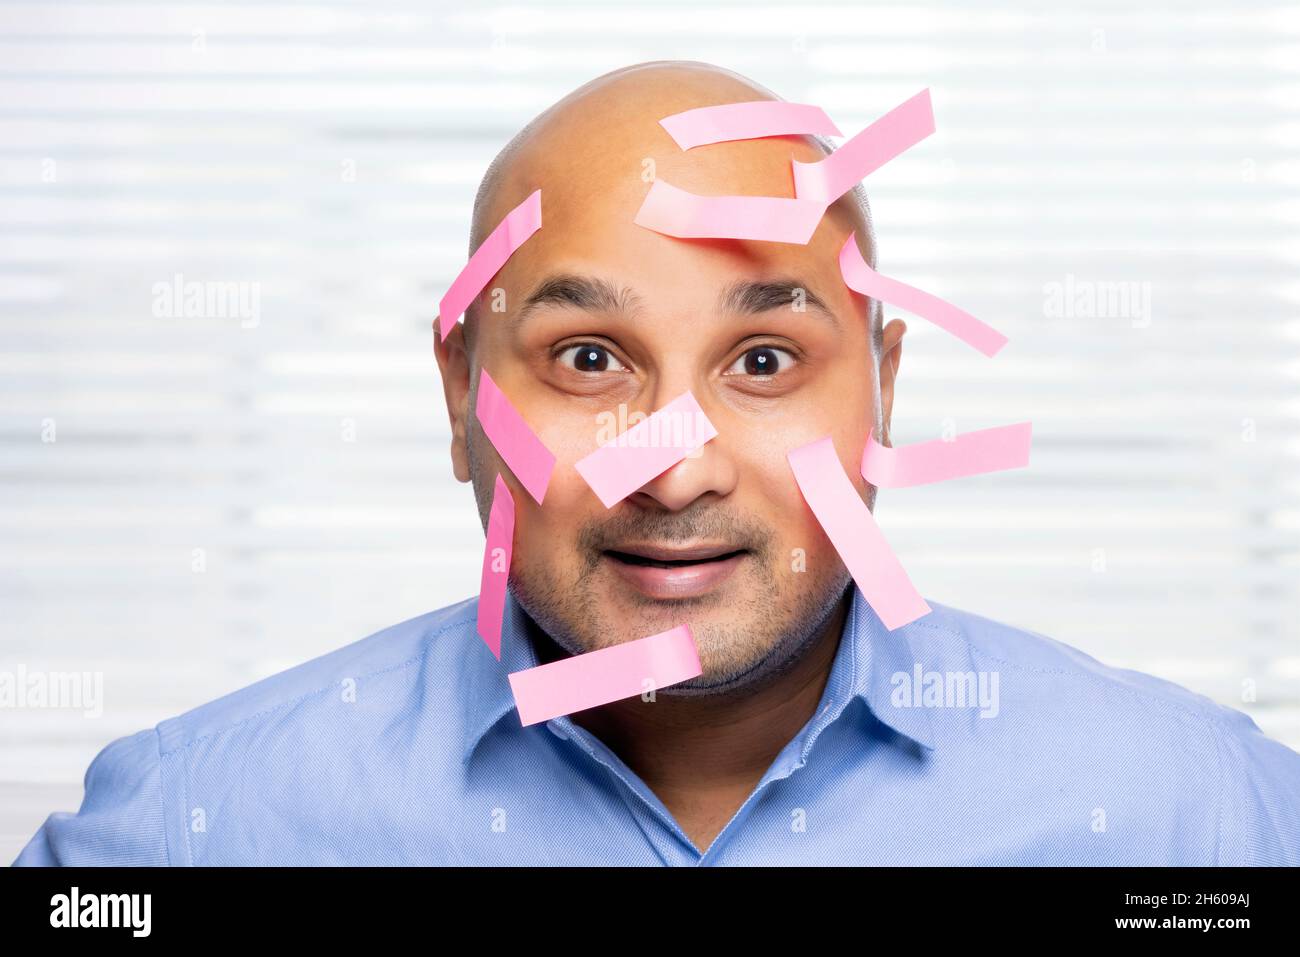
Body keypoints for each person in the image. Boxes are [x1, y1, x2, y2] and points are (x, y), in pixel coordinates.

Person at [14, 61, 1300, 866]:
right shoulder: (192, 833)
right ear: (461, 394)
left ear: (887, 386)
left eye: (761, 364)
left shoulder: (1203, 821)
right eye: (585, 361)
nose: (671, 472)